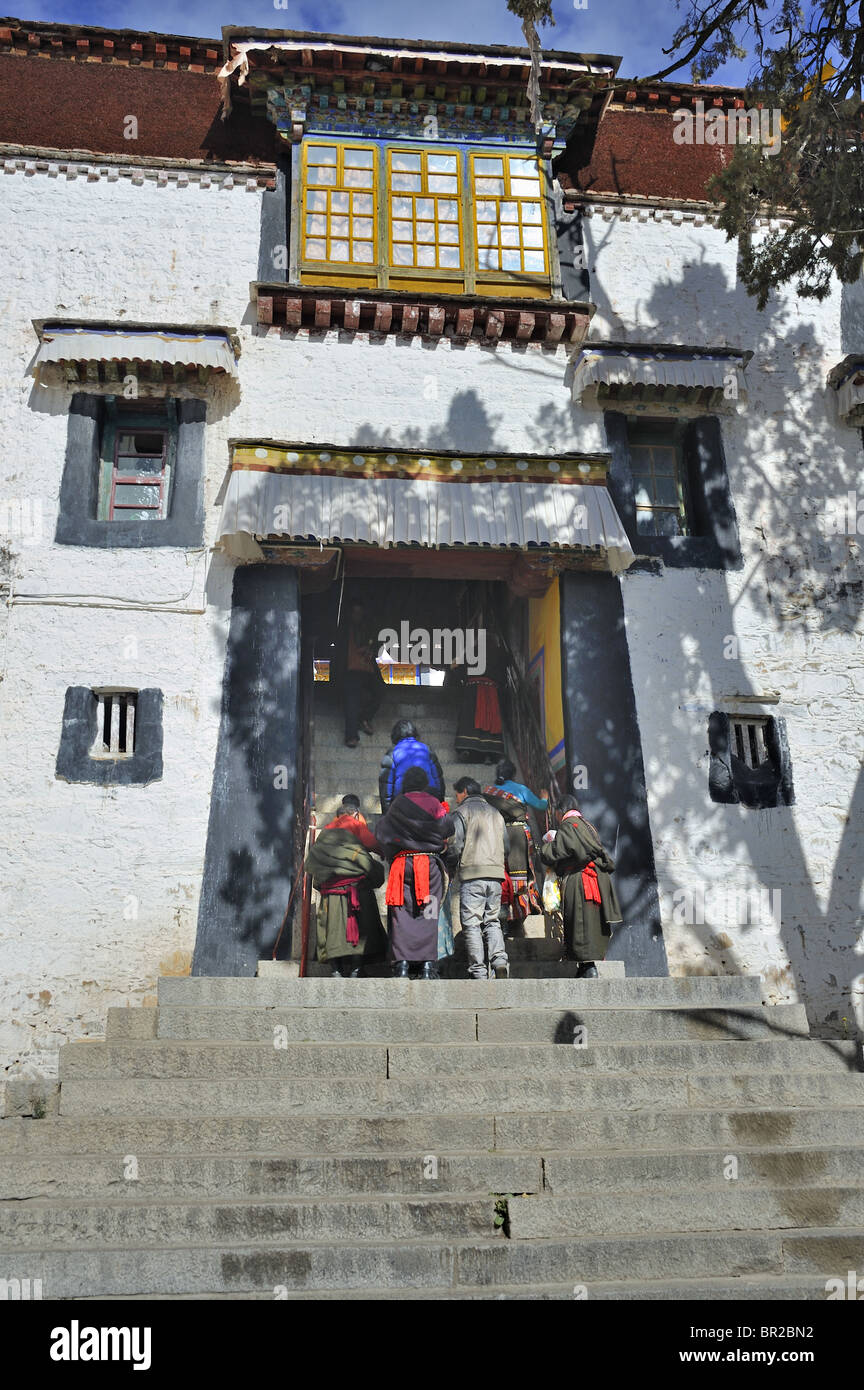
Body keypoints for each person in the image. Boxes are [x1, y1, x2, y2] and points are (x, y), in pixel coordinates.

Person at [375, 766, 455, 979]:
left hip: (402, 866)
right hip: (428, 864)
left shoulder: (397, 804)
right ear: (424, 783)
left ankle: (401, 965)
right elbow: (448, 827)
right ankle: (428, 966)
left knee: (401, 914)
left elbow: (382, 831)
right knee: (429, 913)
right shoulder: (433, 803)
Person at [539, 794, 622, 978]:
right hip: (594, 880)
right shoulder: (587, 825)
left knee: (580, 922)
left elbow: (555, 852)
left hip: (581, 881)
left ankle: (589, 968)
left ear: (561, 812)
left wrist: (546, 846)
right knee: (588, 922)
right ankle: (584, 967)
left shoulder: (570, 825)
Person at [304, 798, 387, 977]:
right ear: (355, 814)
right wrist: (383, 854)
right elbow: (373, 845)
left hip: (331, 891)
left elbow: (313, 863)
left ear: (337, 816)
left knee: (332, 928)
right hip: (357, 890)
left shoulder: (326, 832)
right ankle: (357, 968)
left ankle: (336, 970)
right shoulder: (355, 824)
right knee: (363, 923)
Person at [450, 776, 510, 980]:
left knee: (472, 923)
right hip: (495, 875)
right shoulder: (496, 813)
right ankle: (500, 962)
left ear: (464, 791)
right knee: (492, 921)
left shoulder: (461, 812)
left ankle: (478, 970)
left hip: (472, 874)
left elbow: (456, 846)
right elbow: (507, 847)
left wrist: (452, 867)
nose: (456, 799)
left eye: (457, 794)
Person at [484, 759, 549, 933]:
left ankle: (500, 911)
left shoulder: (490, 792)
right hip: (519, 836)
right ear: (513, 774)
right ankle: (520, 911)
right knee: (521, 874)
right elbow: (541, 806)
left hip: (497, 834)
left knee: (502, 873)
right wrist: (545, 798)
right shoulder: (521, 790)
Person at [448, 634, 506, 763]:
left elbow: (457, 670)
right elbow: (503, 676)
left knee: (470, 719)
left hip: (473, 691)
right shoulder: (498, 653)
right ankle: (491, 753)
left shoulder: (469, 652)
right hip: (491, 691)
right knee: (489, 720)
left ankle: (468, 750)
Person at [336, 601, 382, 749]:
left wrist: (370, 649)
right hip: (349, 670)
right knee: (352, 701)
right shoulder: (343, 629)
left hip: (367, 668)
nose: (358, 616)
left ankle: (364, 718)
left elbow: (376, 644)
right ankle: (351, 736)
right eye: (355, 612)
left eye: (360, 613)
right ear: (350, 614)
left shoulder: (367, 628)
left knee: (380, 691)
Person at [378, 719, 445, 812]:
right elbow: (438, 779)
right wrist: (440, 803)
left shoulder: (392, 753)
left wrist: (386, 811)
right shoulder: (427, 749)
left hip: (402, 803)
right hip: (429, 800)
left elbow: (386, 786)